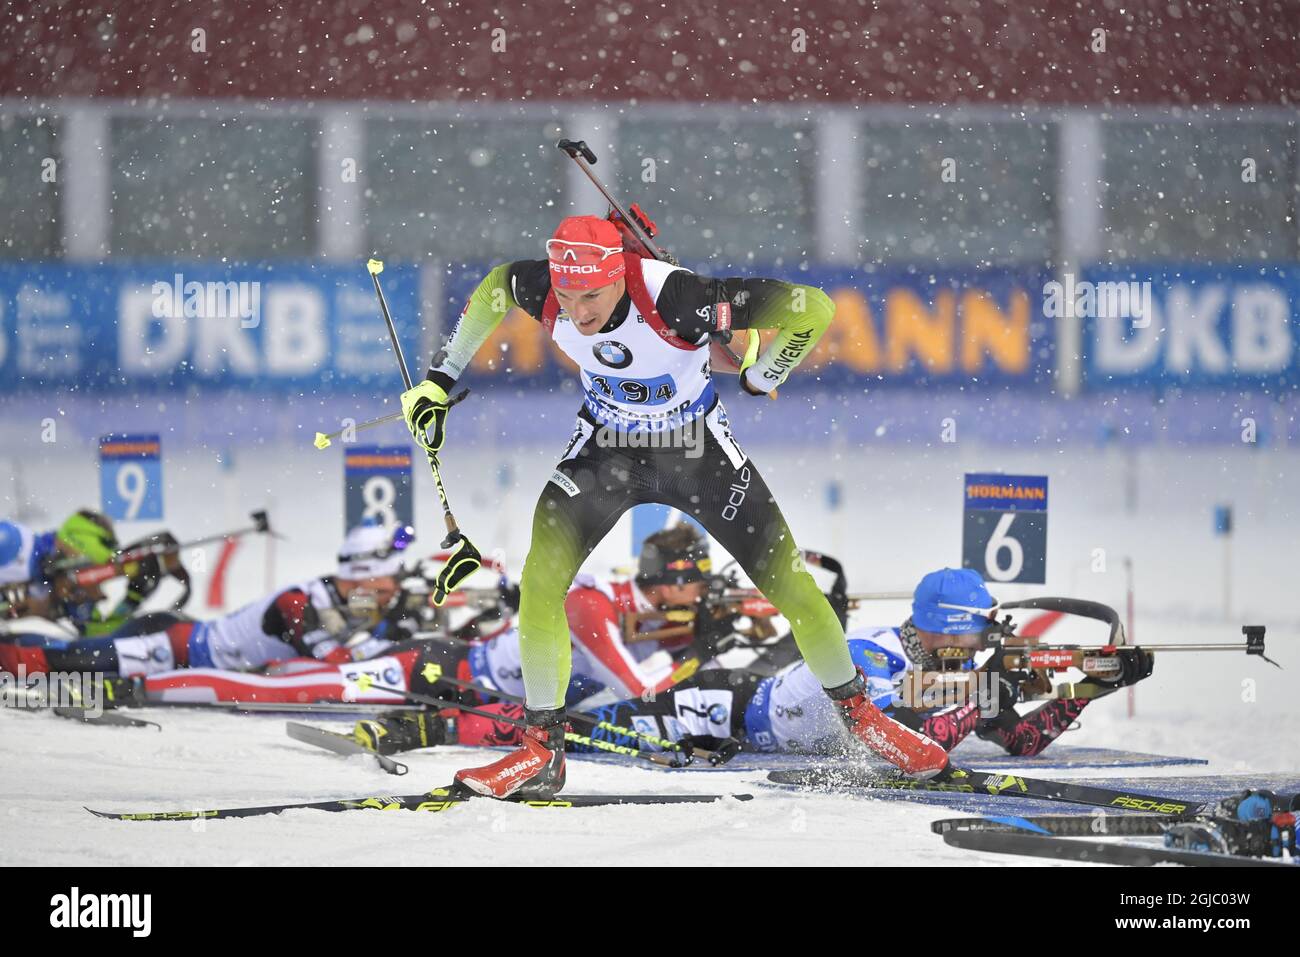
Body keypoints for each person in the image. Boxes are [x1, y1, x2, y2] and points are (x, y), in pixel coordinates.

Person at [399, 213, 949, 798]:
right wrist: (438, 381)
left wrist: (765, 372)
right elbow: (493, 288)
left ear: (620, 274)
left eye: (591, 296)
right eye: (566, 296)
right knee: (539, 583)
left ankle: (863, 722)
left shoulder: (679, 296)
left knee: (796, 592)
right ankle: (541, 752)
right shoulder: (543, 288)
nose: (578, 314)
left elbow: (811, 308)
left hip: (697, 457)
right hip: (604, 453)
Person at [0, 520, 420, 680]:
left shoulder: (355, 601)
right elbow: (334, 663)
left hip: (182, 644)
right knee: (57, 661)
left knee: (66, 654)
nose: (394, 589)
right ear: (364, 574)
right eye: (390, 579)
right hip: (173, 646)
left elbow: (366, 646)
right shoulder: (299, 602)